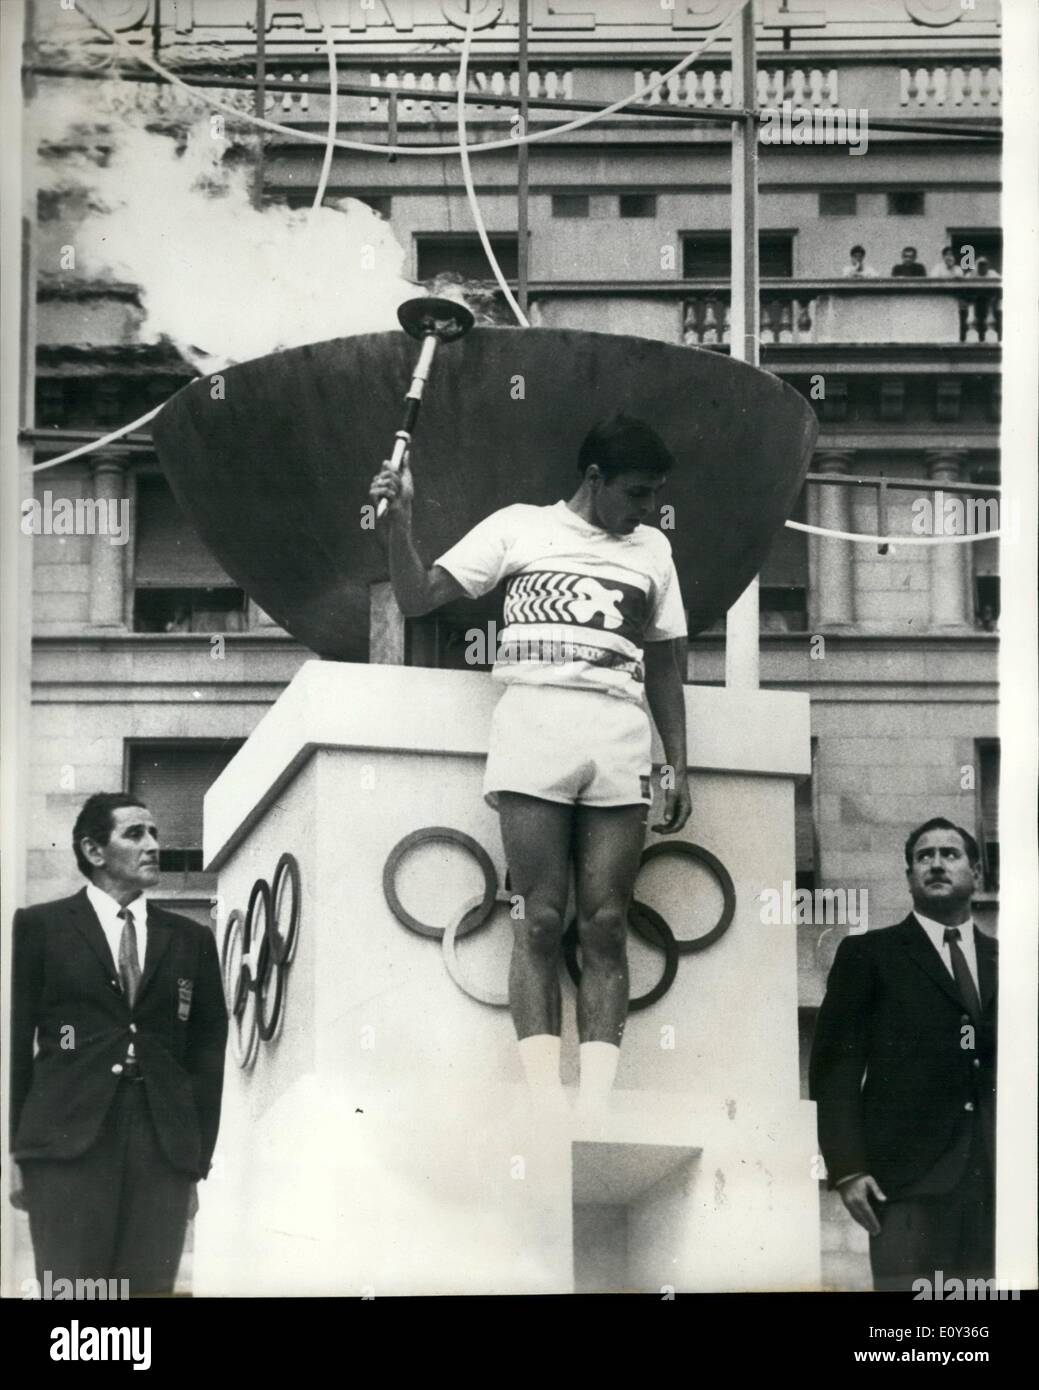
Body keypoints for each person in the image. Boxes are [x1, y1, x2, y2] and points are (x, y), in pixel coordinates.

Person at [369, 414, 691, 1117]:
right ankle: (546, 1105)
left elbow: (666, 663)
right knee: (539, 919)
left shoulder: (652, 550)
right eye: (636, 494)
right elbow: (418, 596)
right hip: (533, 723)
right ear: (594, 478)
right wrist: (401, 520)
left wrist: (677, 763)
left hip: (617, 734)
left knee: (606, 922)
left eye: (653, 496)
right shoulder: (518, 526)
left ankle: (597, 1107)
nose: (646, 510)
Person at [10, 793, 228, 1295]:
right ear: (94, 850)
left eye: (154, 833)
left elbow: (206, 1057)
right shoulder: (39, 928)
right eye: (135, 834)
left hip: (161, 1148)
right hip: (67, 1145)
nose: (153, 845)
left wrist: (194, 1163)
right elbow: (14, 1043)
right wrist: (14, 1153)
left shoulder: (191, 940)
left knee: (146, 1292)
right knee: (76, 1292)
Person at [809, 818, 996, 1292]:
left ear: (977, 871)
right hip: (906, 1180)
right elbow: (836, 1069)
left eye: (949, 854)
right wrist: (848, 1168)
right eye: (923, 856)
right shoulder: (870, 956)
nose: (936, 863)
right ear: (910, 875)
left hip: (997, 1180)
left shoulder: (1010, 959)